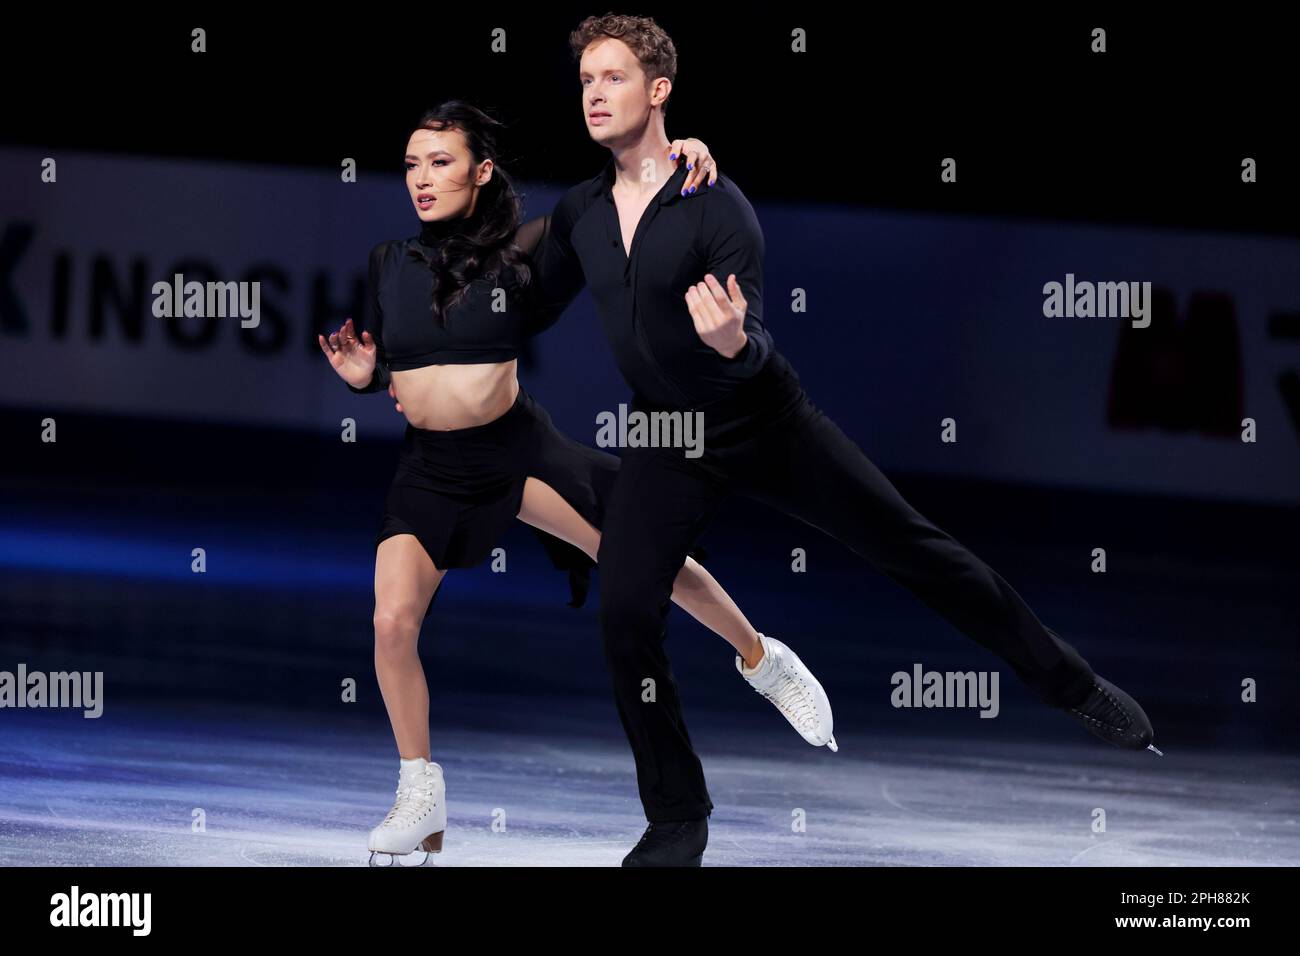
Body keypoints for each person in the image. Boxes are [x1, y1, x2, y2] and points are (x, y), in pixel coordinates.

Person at [531, 13, 1161, 867]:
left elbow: (748, 334)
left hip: (763, 419)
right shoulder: (582, 214)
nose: (595, 94)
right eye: (585, 81)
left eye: (612, 78)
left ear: (659, 90)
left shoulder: (717, 205)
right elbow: (520, 283)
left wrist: (729, 342)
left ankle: (1072, 685)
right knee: (626, 610)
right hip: (666, 434)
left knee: (915, 548)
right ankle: (678, 818)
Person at [319, 102, 836, 866]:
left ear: (481, 171)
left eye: (441, 163)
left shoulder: (523, 253)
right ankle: (421, 799)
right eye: (411, 165)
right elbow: (416, 363)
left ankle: (763, 659)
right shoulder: (387, 261)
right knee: (391, 624)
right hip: (429, 469)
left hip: (517, 452)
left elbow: (610, 192)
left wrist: (673, 151)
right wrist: (372, 379)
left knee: (650, 564)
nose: (422, 180)